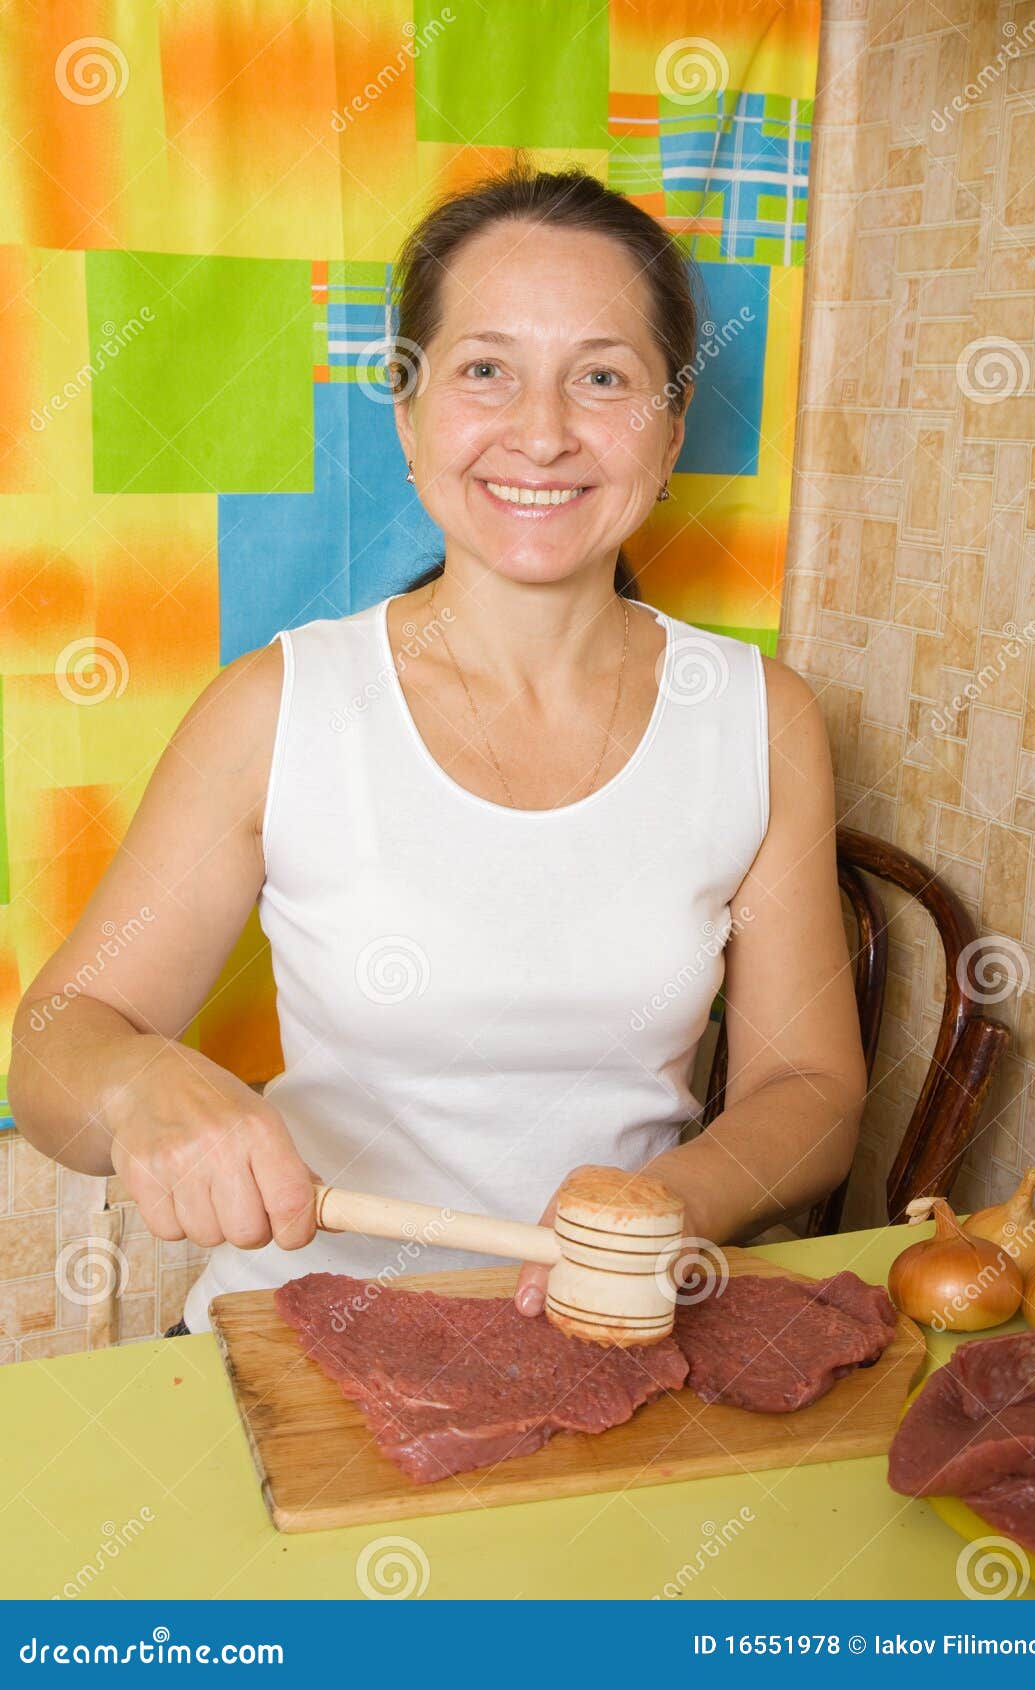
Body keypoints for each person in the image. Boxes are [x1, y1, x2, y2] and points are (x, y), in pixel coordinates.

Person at [9, 162, 866, 1335]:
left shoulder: (760, 716)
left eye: (602, 377)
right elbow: (58, 1039)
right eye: (485, 370)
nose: (543, 432)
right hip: (303, 1340)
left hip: (611, 1337)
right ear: (410, 417)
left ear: (669, 430)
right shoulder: (277, 707)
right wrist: (139, 1081)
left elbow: (806, 1089)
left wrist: (654, 1203)